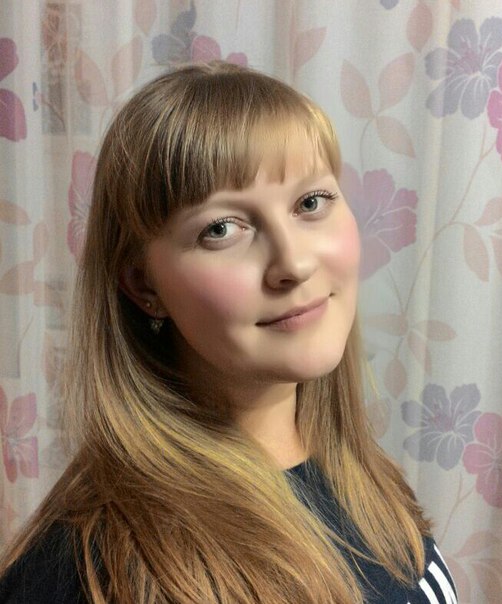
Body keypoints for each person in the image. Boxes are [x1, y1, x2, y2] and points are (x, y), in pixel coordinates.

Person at [0, 61, 457, 604]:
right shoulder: (91, 572)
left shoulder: (358, 473)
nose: (294, 264)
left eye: (311, 203)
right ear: (143, 285)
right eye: (221, 229)